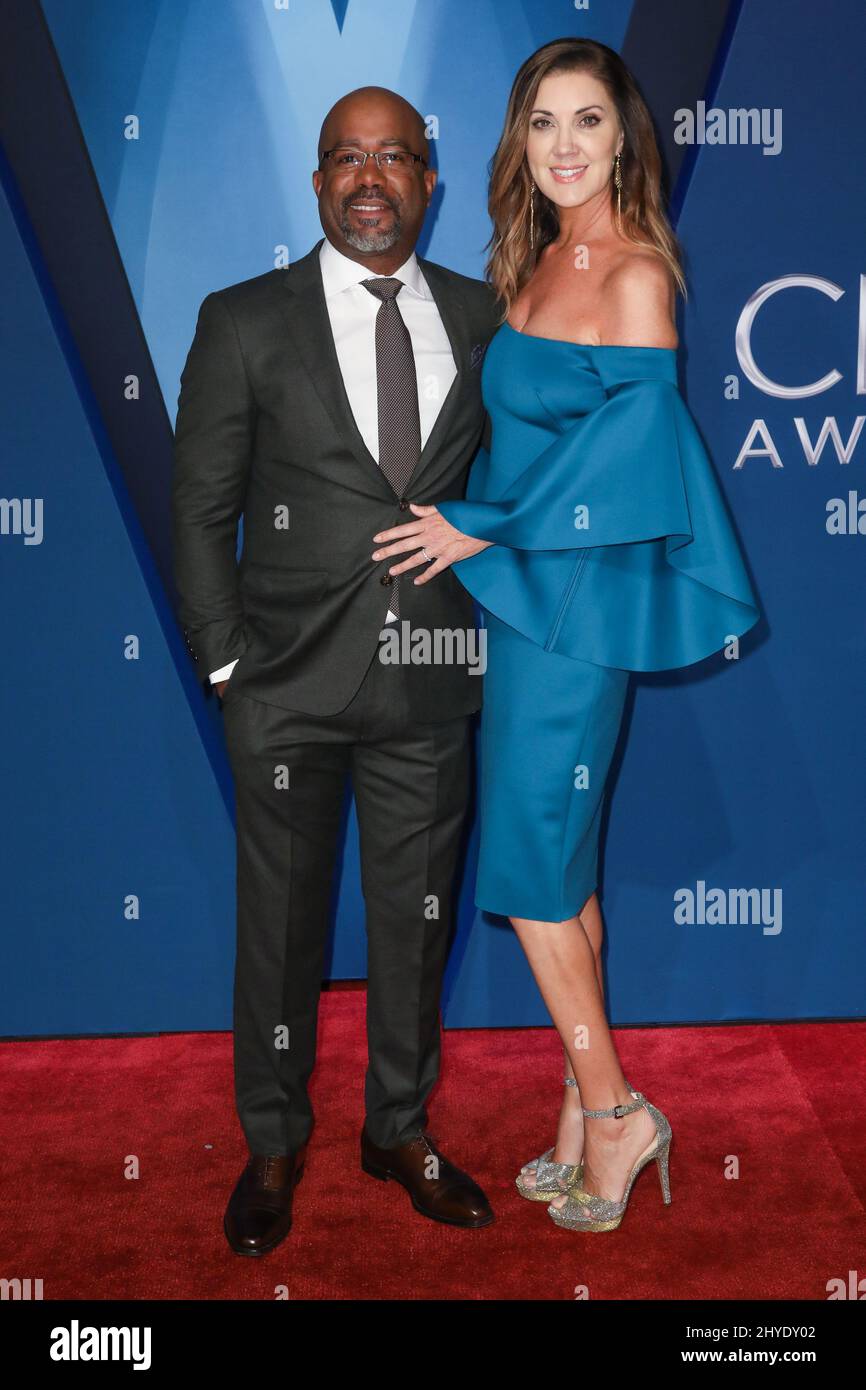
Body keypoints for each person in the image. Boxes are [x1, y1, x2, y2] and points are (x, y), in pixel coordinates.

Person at [368, 39, 760, 1232]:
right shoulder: (533, 260)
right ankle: (577, 1117)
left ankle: (618, 1110)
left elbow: (631, 460)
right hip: (525, 606)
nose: (564, 147)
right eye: (542, 123)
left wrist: (477, 527)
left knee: (533, 879)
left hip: (572, 604)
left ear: (621, 139)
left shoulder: (635, 273)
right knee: (564, 875)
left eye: (587, 122)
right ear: (518, 142)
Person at [171, 85, 500, 1256]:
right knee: (281, 930)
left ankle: (396, 1130)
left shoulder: (484, 316)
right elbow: (202, 508)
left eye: (394, 157)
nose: (370, 178)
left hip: (428, 676)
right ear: (316, 184)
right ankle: (273, 1141)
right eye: (345, 160)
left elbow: (519, 487)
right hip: (285, 687)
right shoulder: (242, 319)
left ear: (428, 181)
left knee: (414, 925)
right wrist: (224, 667)